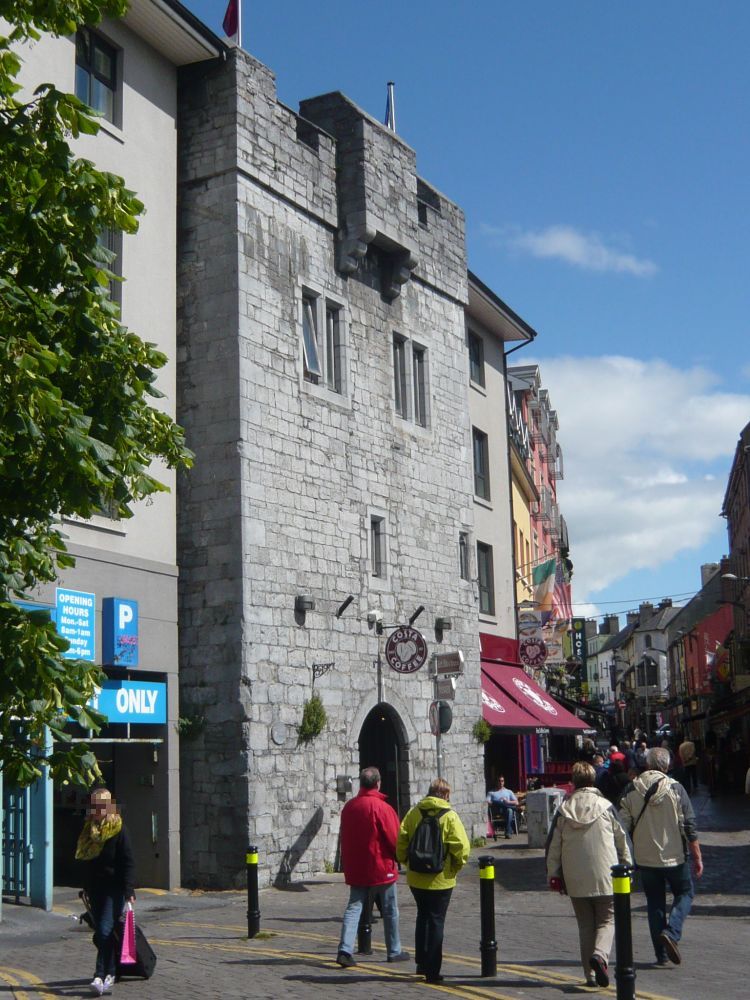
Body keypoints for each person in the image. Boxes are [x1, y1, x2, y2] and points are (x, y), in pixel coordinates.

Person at [546, 762, 632, 988]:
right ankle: (601, 955)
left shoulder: (564, 810)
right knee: (607, 919)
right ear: (593, 780)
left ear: (573, 782)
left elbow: (553, 846)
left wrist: (553, 873)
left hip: (575, 876)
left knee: (585, 925)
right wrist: (627, 866)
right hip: (605, 873)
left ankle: (590, 976)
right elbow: (622, 839)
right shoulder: (605, 806)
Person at [618, 747, 703, 966]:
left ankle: (661, 955)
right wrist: (697, 856)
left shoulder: (631, 789)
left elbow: (621, 827)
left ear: (647, 765)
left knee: (655, 903)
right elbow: (689, 826)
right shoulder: (676, 789)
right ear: (667, 766)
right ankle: (672, 933)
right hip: (675, 856)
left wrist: (623, 855)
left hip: (645, 859)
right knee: (685, 892)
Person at [396, 777, 470, 984]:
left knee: (423, 917)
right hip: (441, 878)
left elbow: (401, 841)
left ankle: (421, 962)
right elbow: (462, 848)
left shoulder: (413, 813)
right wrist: (454, 867)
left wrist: (405, 862)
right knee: (437, 920)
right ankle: (433, 970)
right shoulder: (450, 816)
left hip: (416, 877)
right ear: (446, 795)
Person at [335, 766, 408, 968]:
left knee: (354, 908)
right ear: (378, 783)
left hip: (357, 866)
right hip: (380, 865)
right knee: (390, 909)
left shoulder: (349, 807)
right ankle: (394, 950)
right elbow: (395, 839)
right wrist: (400, 858)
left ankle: (345, 949)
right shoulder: (382, 808)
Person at [76, 788, 136, 996]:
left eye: (100, 806)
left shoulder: (119, 829)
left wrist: (129, 891)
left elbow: (127, 862)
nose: (96, 810)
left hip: (114, 889)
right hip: (95, 888)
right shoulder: (89, 829)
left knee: (104, 931)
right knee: (103, 934)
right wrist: (85, 886)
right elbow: (87, 861)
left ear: (109, 806)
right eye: (93, 806)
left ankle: (99, 975)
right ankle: (110, 972)